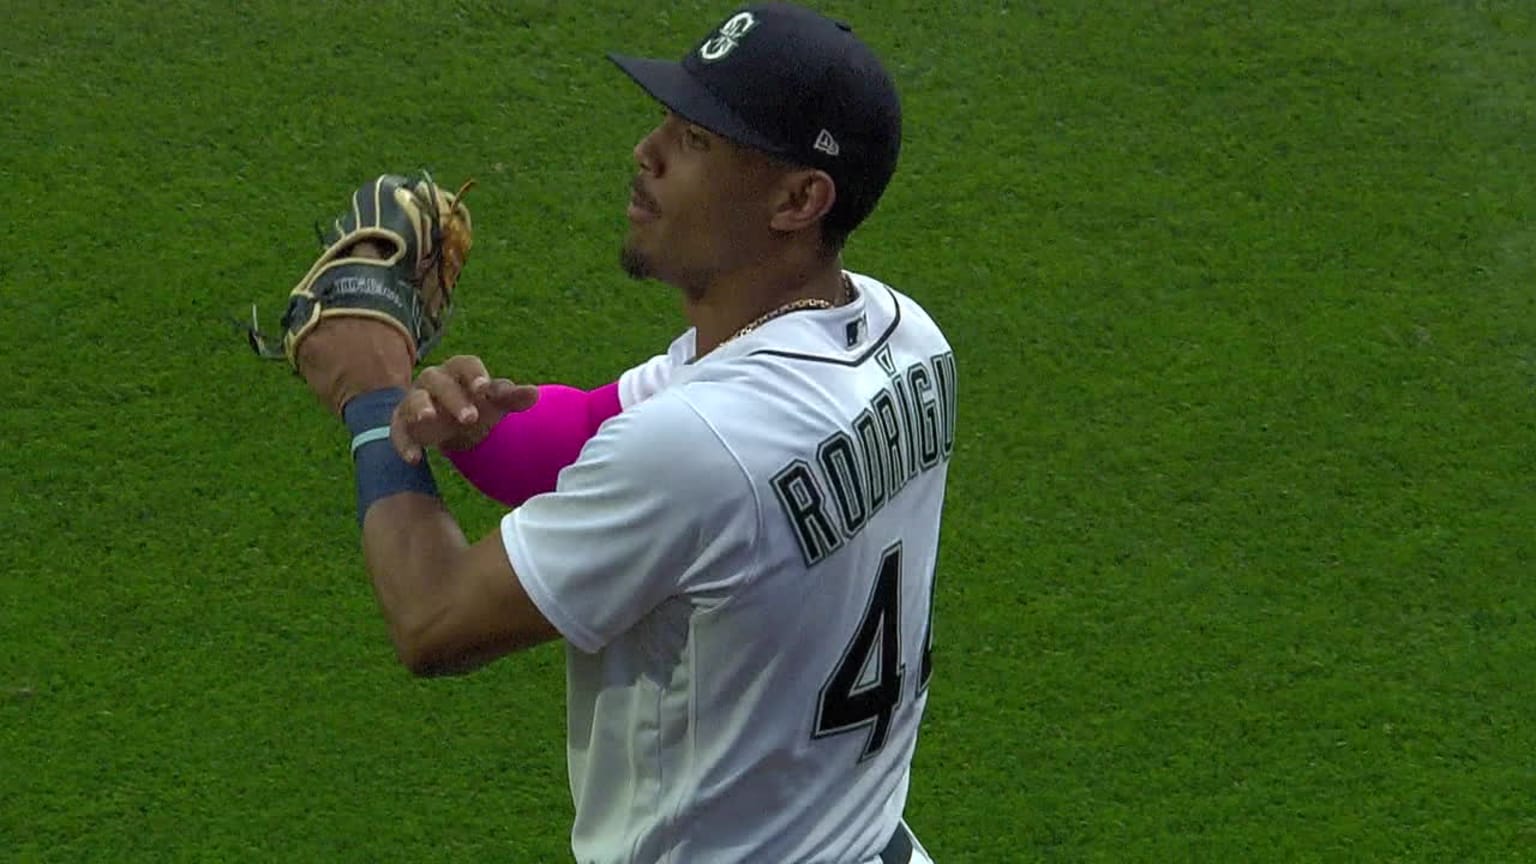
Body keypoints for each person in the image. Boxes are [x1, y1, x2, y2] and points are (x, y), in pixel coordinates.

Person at [292, 4, 955, 862]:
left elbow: (433, 620)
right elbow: (602, 430)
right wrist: (473, 429)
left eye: (697, 139)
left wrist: (371, 393)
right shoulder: (904, 337)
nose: (647, 153)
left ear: (799, 198)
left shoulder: (705, 447)